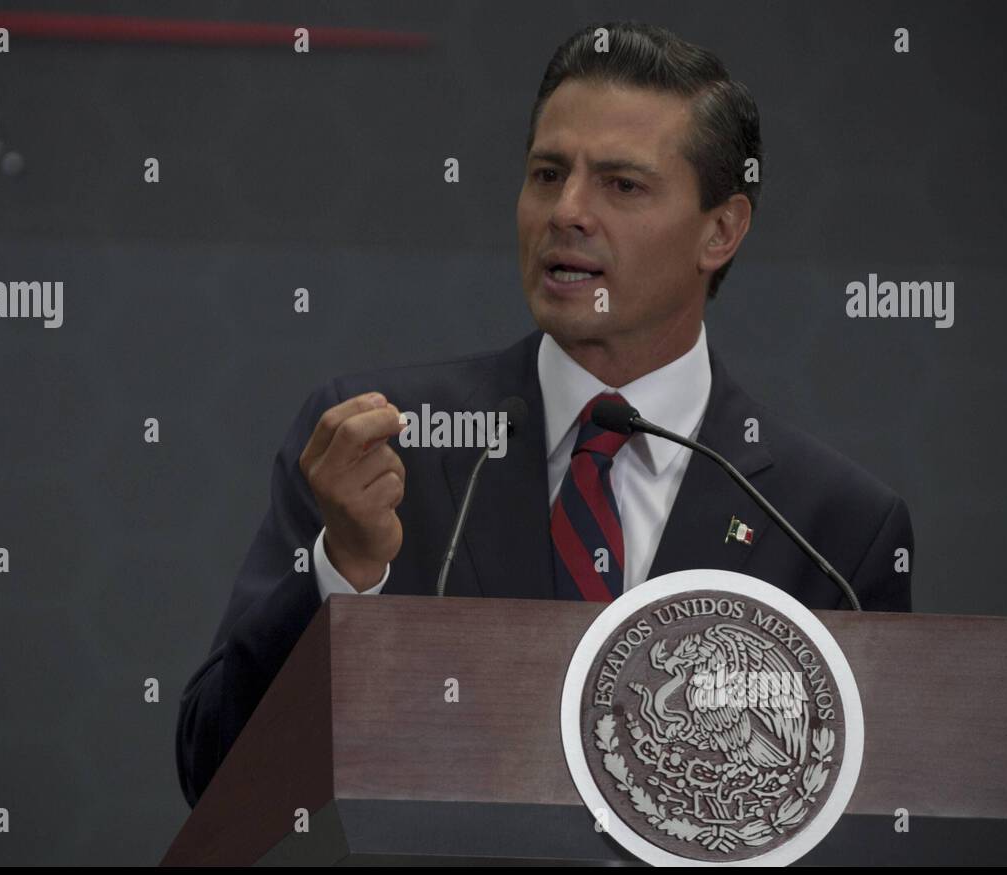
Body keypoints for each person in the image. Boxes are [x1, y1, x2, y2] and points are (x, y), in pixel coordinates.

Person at [175, 21, 914, 808]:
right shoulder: (380, 448)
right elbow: (216, 771)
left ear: (720, 230)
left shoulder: (830, 528)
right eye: (547, 173)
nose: (567, 211)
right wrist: (343, 576)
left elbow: (865, 818)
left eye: (621, 185)